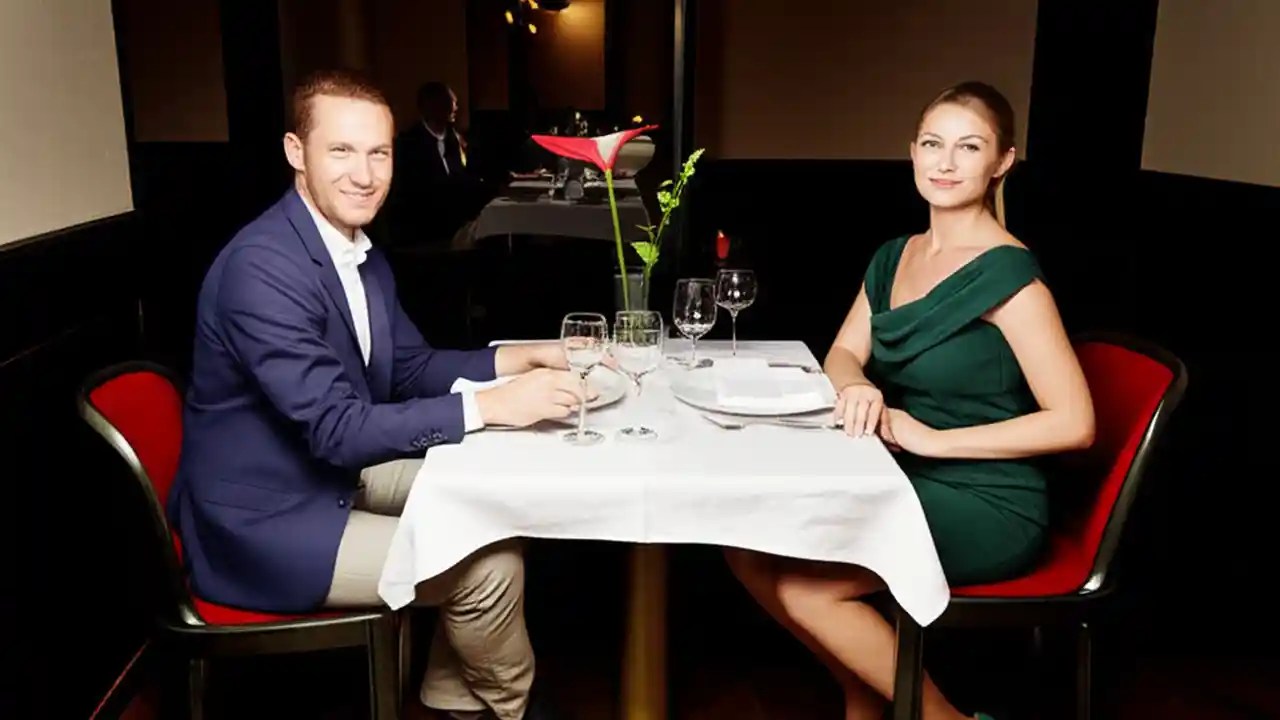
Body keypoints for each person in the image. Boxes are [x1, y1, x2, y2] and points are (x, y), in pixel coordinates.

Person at [167, 69, 580, 720]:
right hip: (263, 520)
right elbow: (336, 428)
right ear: (295, 153)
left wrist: (521, 356)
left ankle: (450, 698)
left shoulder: (360, 253)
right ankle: (516, 708)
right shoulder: (262, 268)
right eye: (341, 151)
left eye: (379, 153)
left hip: (324, 474)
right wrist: (492, 406)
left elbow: (411, 369)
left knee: (496, 499)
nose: (365, 175)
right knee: (487, 568)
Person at [723, 81, 1096, 720]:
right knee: (744, 543)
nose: (946, 163)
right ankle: (865, 697)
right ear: (913, 152)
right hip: (898, 473)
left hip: (990, 500)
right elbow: (840, 355)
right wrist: (860, 385)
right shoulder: (895, 256)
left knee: (805, 589)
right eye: (932, 143)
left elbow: (1077, 423)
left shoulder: (1012, 277)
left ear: (1002, 162)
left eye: (968, 146)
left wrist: (934, 439)